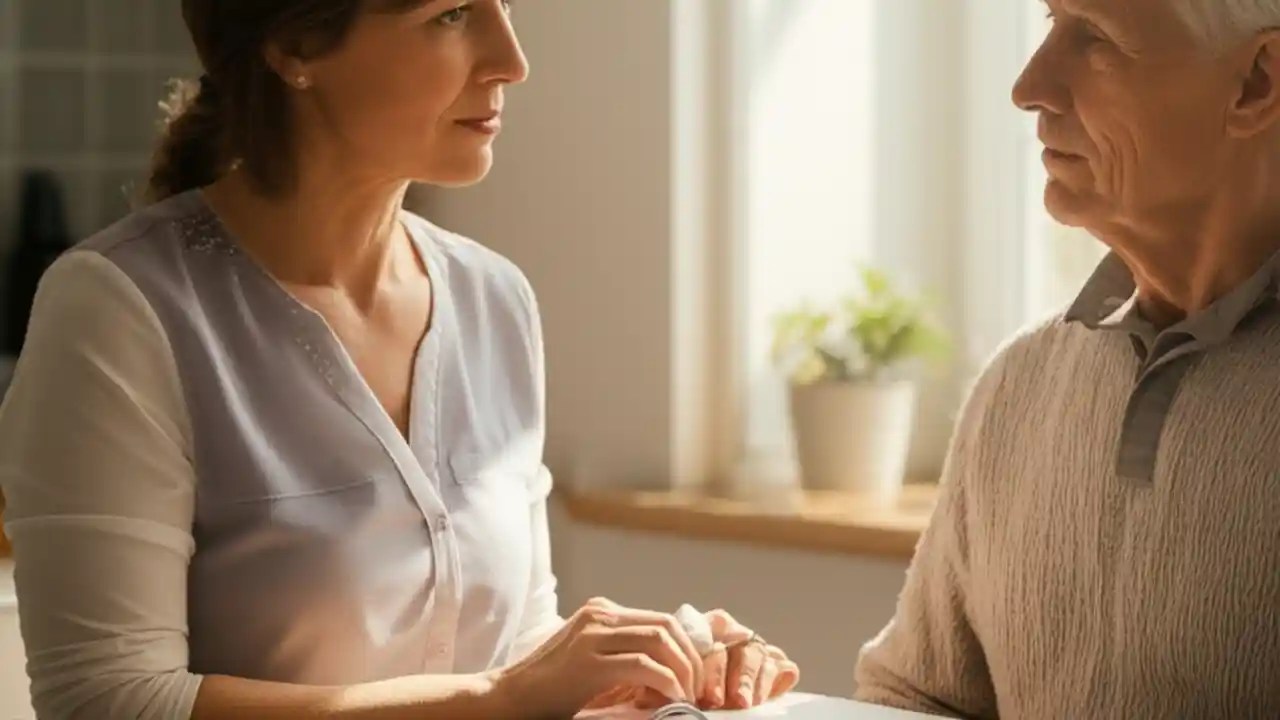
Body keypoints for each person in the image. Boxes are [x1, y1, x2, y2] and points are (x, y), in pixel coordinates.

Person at [0, 1, 800, 718]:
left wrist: (659, 664)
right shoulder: (118, 308)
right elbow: (109, 701)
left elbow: (513, 643)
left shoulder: (495, 297)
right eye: (451, 15)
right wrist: (503, 698)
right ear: (294, 45)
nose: (511, 59)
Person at [853, 0, 1280, 717]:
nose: (1030, 85)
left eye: (1098, 38)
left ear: (1256, 84)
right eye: (1051, 23)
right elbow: (917, 698)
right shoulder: (1019, 385)